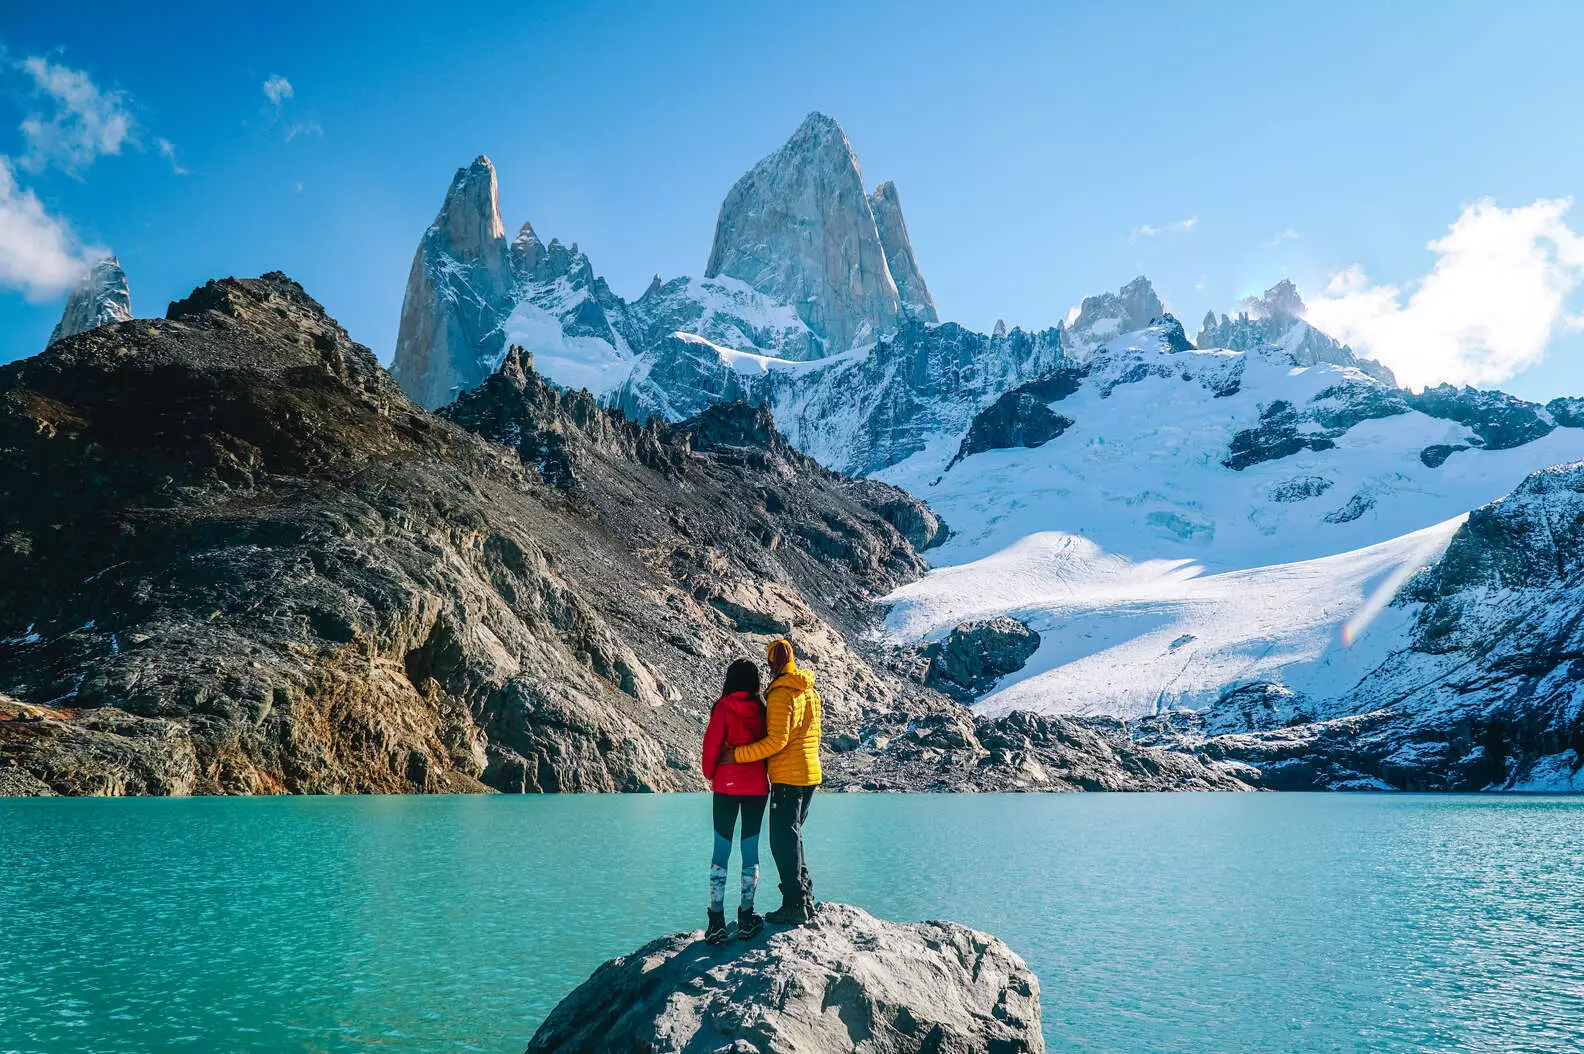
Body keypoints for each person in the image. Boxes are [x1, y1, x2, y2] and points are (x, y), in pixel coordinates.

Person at [718, 638, 822, 925]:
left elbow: (777, 741)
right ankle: (806, 899)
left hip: (788, 778)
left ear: (774, 662)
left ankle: (794, 904)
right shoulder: (809, 690)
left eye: (770, 661)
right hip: (810, 774)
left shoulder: (780, 693)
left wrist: (736, 755)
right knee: (794, 836)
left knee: (781, 840)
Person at [700, 658, 770, 944]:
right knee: (750, 852)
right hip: (756, 788)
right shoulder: (764, 709)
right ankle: (746, 917)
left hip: (726, 786)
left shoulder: (723, 707)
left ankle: (716, 920)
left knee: (721, 851)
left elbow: (710, 744)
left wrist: (711, 774)